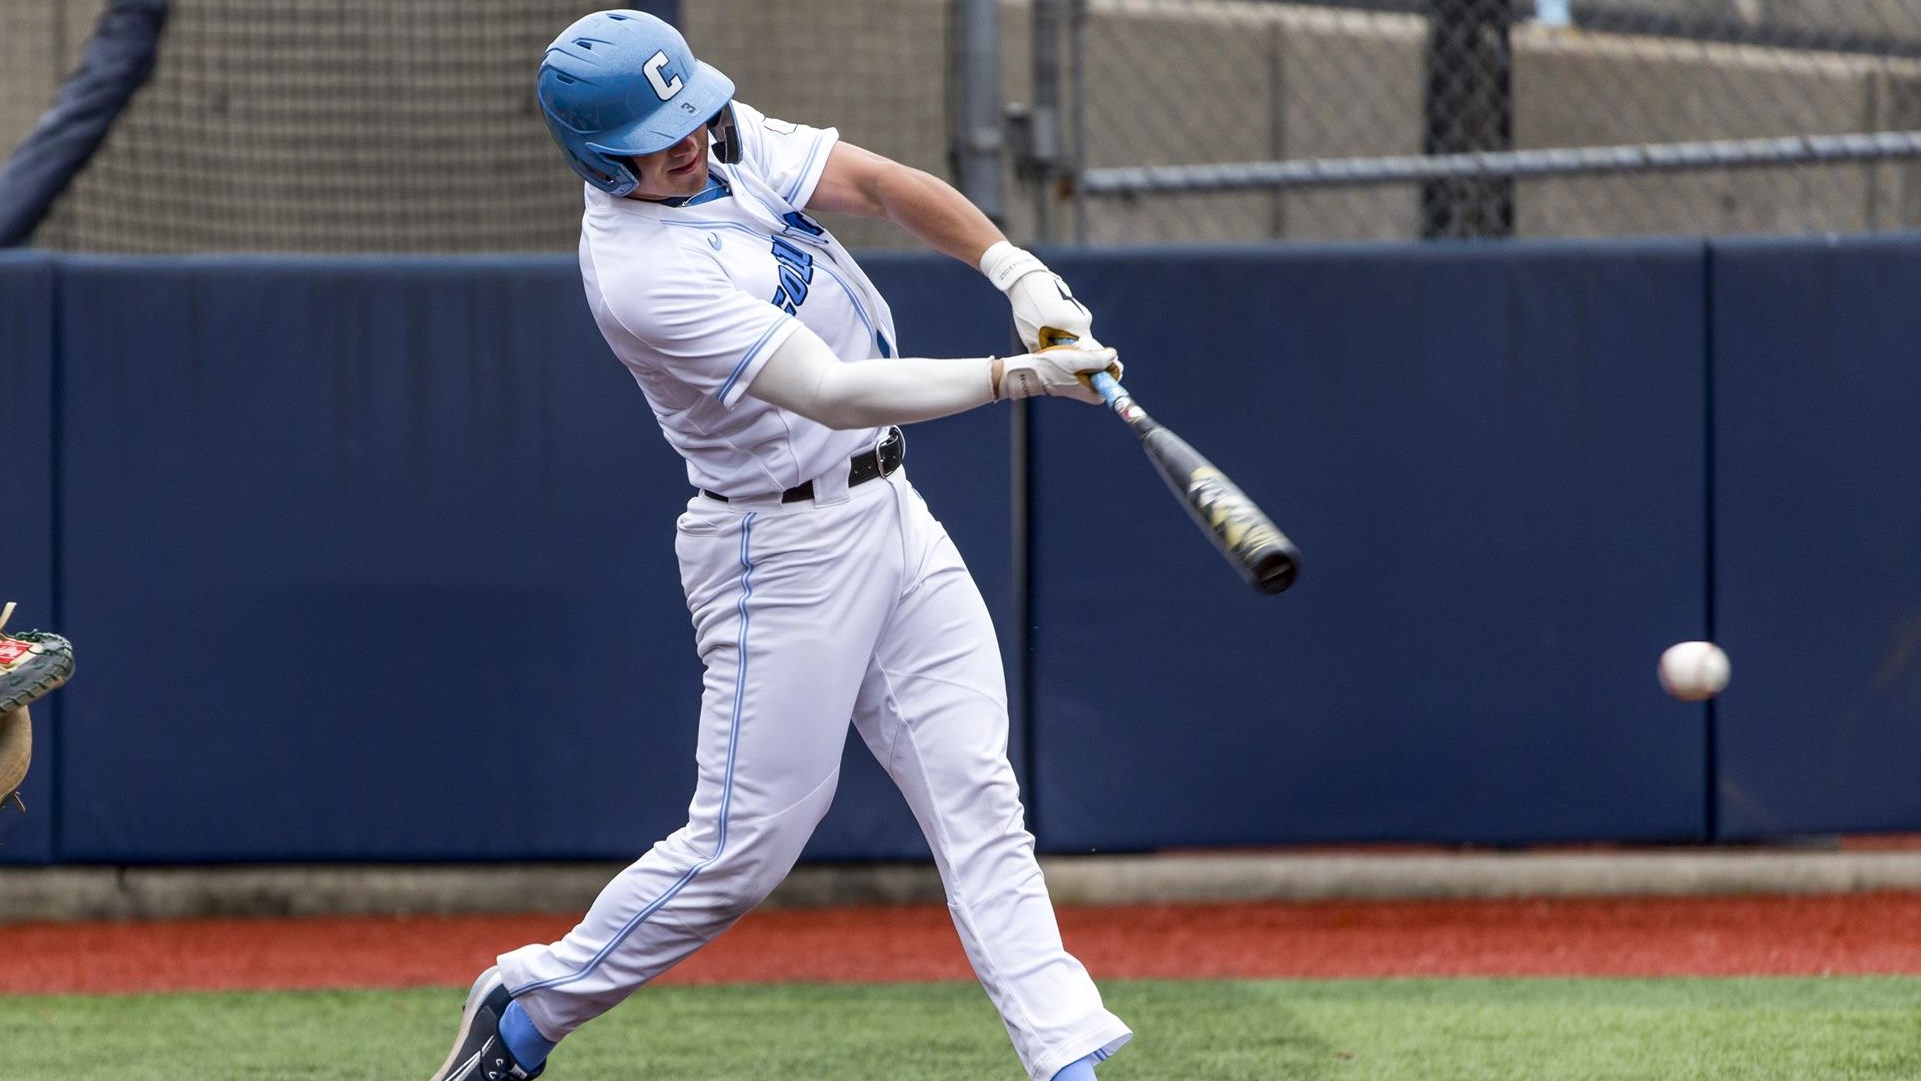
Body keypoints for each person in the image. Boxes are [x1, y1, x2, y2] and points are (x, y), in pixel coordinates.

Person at [427, 11, 1129, 1081]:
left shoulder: (720, 139)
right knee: (740, 850)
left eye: (691, 115)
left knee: (978, 792)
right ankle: (529, 1006)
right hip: (777, 548)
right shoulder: (634, 270)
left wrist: (1015, 269)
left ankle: (1067, 1060)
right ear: (599, 158)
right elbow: (834, 394)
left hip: (892, 515)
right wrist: (1015, 376)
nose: (689, 142)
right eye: (657, 136)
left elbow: (886, 185)